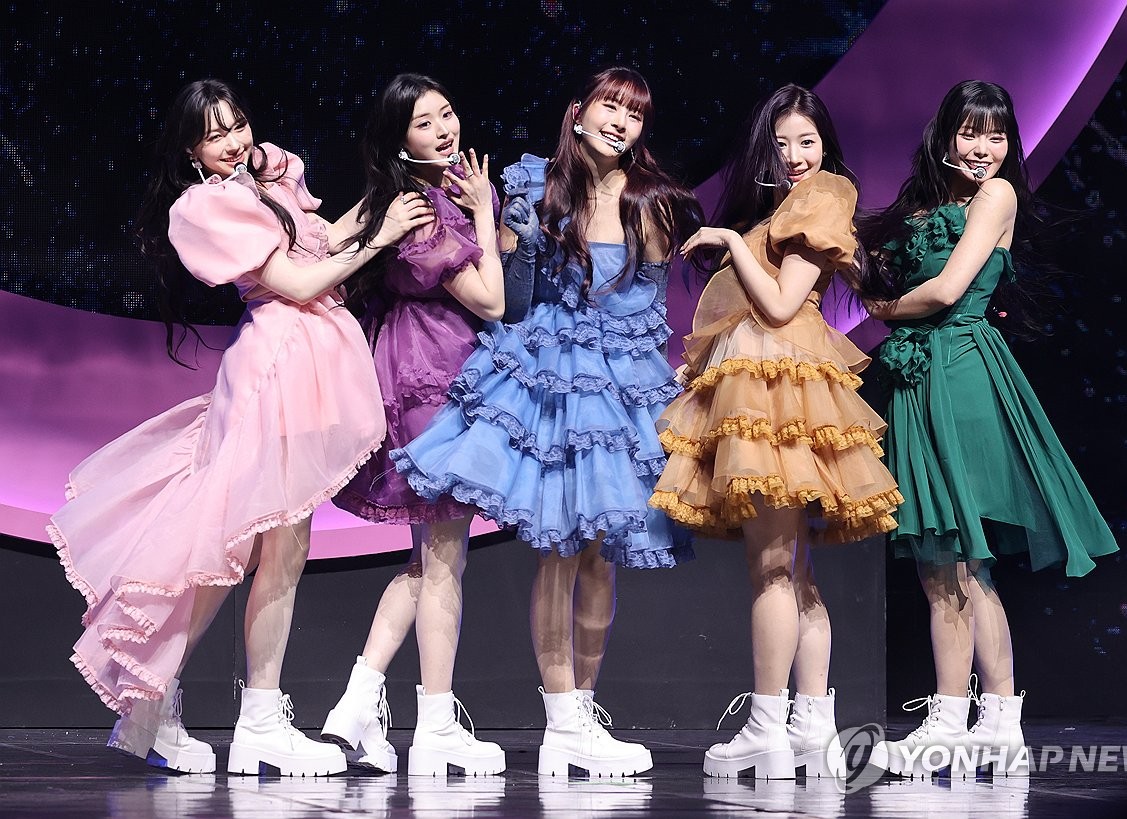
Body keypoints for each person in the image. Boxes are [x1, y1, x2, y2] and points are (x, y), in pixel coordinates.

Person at [47, 78, 432, 776]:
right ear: (190, 150)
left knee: (262, 548)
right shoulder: (208, 205)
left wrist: (385, 201)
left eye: (237, 125)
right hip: (278, 367)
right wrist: (383, 236)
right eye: (214, 134)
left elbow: (321, 242)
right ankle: (248, 716)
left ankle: (167, 705)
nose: (232, 141)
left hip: (302, 362)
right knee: (257, 547)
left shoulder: (262, 182)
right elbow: (301, 283)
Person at [393, 66, 702, 777]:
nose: (620, 122)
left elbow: (648, 304)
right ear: (578, 111)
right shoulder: (533, 184)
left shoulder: (652, 199)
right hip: (548, 371)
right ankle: (561, 718)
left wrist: (659, 379)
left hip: (618, 380)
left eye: (634, 113)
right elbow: (513, 300)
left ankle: (582, 715)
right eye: (610, 106)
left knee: (601, 555)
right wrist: (526, 240)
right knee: (558, 548)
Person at [853, 80, 1119, 777]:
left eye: (996, 135)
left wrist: (880, 305)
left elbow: (946, 291)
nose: (983, 147)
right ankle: (997, 725)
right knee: (959, 562)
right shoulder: (923, 205)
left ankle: (954, 720)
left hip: (961, 371)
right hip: (918, 377)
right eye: (971, 132)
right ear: (945, 135)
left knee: (952, 554)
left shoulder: (996, 196)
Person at [649, 84, 901, 779]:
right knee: (794, 571)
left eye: (807, 142)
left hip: (778, 388)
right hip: (771, 380)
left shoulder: (822, 197)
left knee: (771, 569)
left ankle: (766, 727)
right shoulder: (791, 207)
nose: (794, 156)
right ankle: (811, 727)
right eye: (782, 143)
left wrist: (733, 241)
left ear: (826, 145)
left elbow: (784, 304)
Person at [322, 73, 506, 776]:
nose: (444, 129)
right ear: (399, 138)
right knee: (443, 558)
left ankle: (357, 702)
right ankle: (435, 725)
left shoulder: (418, 195)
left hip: (424, 369)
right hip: (435, 376)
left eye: (448, 113)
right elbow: (489, 300)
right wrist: (484, 216)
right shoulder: (423, 209)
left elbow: (328, 241)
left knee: (429, 559)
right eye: (425, 123)